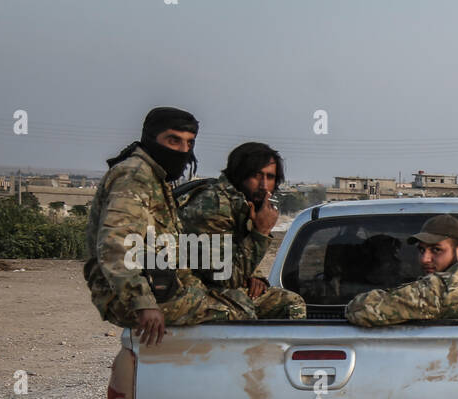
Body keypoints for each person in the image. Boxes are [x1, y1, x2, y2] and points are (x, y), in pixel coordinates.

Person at [83, 107, 274, 345]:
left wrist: (251, 273)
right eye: (174, 141)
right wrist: (143, 303)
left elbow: (187, 247)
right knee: (238, 313)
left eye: (189, 143)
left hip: (164, 283)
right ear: (151, 139)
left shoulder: (156, 177)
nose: (183, 151)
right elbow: (116, 244)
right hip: (130, 295)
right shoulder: (134, 176)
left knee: (240, 300)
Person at [177, 141, 305, 319]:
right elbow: (225, 277)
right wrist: (261, 232)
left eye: (270, 177)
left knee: (290, 303)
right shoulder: (213, 206)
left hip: (217, 284)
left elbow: (236, 247)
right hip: (189, 289)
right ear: (239, 176)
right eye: (256, 176)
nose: (264, 185)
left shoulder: (242, 203)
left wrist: (256, 276)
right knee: (242, 308)